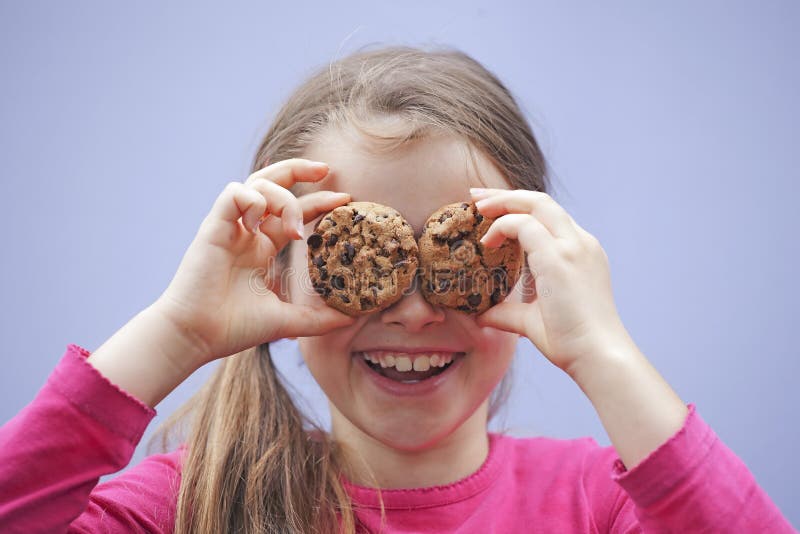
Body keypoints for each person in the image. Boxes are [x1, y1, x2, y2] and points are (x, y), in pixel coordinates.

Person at [0, 45, 795, 534]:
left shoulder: (599, 505)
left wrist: (606, 356)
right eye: (362, 276)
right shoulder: (188, 504)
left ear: (526, 267)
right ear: (280, 270)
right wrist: (176, 334)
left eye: (454, 267)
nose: (414, 310)